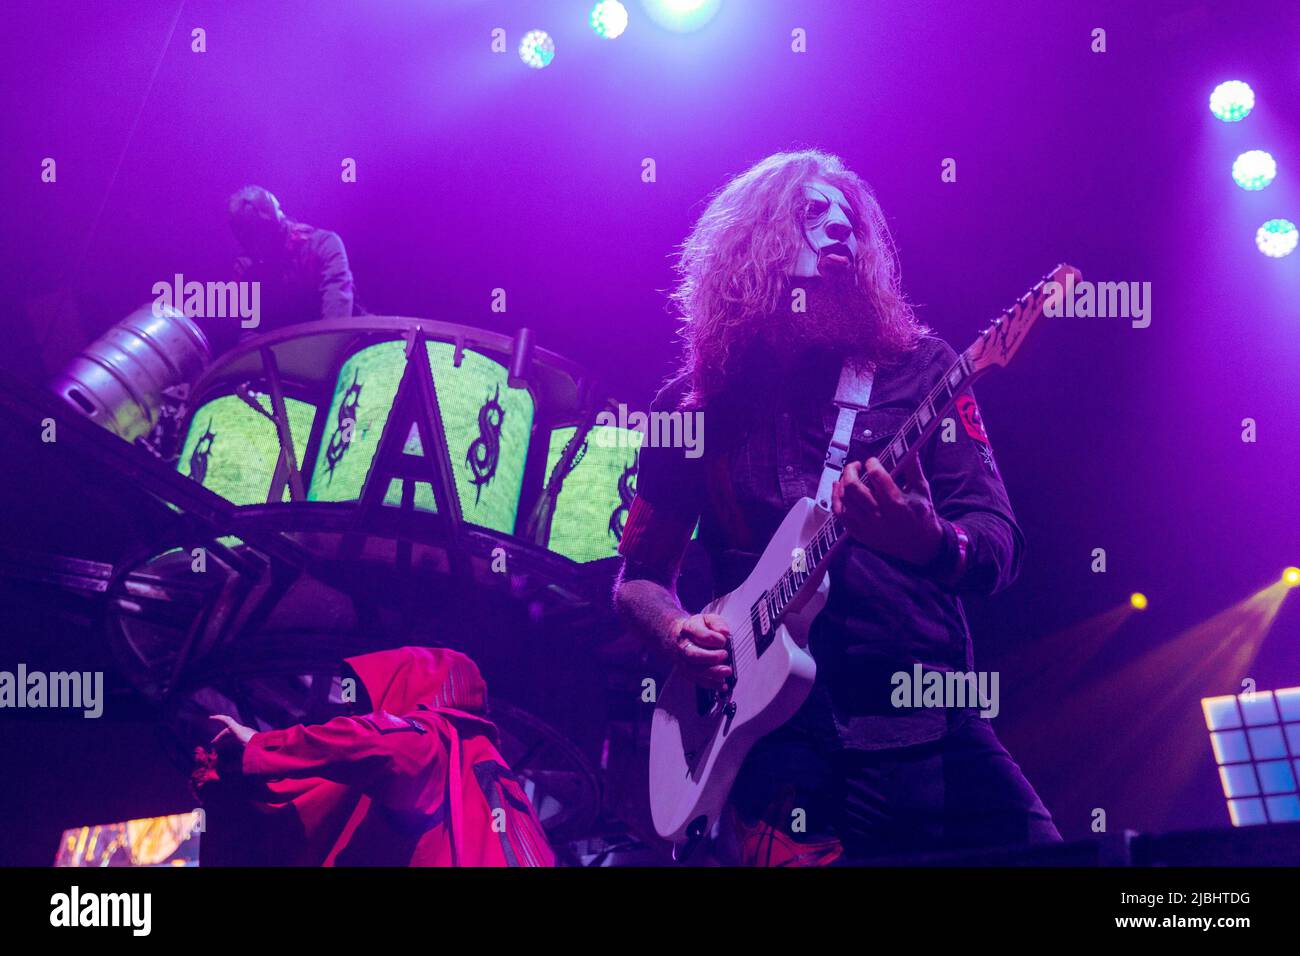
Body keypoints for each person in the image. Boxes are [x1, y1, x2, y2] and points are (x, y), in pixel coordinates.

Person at [614, 149, 1060, 865]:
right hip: (776, 745)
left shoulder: (920, 370)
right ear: (751, 246)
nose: (840, 232)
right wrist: (673, 634)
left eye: (851, 222)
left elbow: (998, 545)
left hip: (926, 723)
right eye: (812, 215)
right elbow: (637, 577)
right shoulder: (693, 411)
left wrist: (928, 541)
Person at [192, 645, 554, 866]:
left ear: (417, 687)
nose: (364, 713)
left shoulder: (440, 739)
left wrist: (263, 744)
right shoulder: (481, 765)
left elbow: (380, 744)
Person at [226, 185, 355, 339]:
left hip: (340, 347)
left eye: (261, 232)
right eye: (249, 238)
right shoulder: (246, 269)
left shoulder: (322, 244)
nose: (258, 244)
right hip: (284, 355)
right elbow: (245, 329)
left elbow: (337, 313)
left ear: (276, 221)